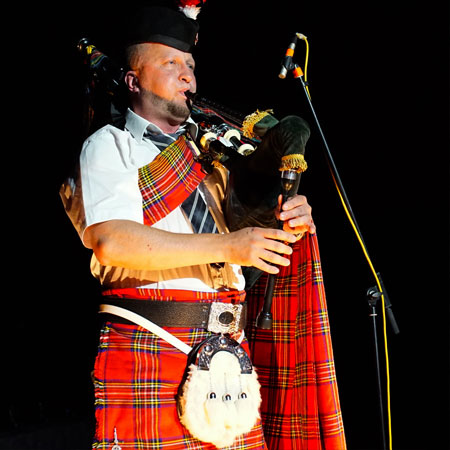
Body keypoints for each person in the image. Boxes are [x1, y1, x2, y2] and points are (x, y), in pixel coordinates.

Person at [60, 3, 345, 450]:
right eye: (170, 63)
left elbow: (250, 244)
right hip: (152, 349)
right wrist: (232, 245)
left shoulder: (217, 163)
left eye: (190, 65)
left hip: (231, 355)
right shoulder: (109, 146)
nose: (187, 76)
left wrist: (289, 221)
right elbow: (112, 240)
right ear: (133, 81)